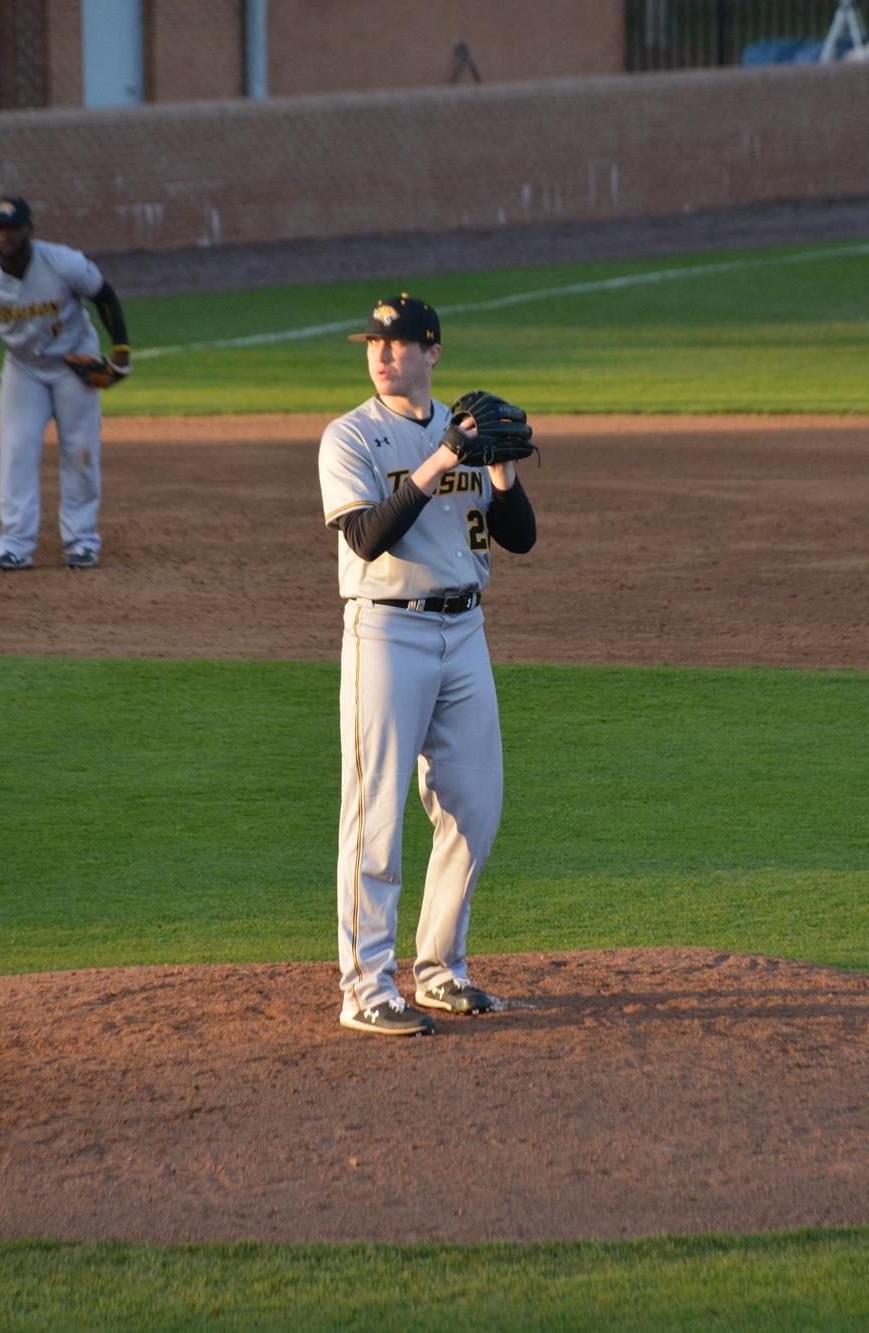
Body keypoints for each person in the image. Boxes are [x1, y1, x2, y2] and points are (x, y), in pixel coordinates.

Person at [317, 294, 538, 1036]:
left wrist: (501, 465)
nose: (383, 354)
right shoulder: (350, 437)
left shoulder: (469, 434)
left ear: (432, 351)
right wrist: (445, 453)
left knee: (476, 806)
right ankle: (366, 986)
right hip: (386, 637)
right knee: (375, 815)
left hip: (465, 632)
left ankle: (441, 969)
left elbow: (521, 537)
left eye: (400, 343)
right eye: (374, 343)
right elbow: (369, 537)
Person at [0, 196, 130, 572]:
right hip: (25, 368)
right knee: (17, 451)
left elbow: (104, 296)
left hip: (75, 363)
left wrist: (120, 349)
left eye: (15, 228)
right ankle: (14, 546)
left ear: (29, 229)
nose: (8, 236)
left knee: (80, 450)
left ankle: (82, 542)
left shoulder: (63, 262)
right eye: (0, 228)